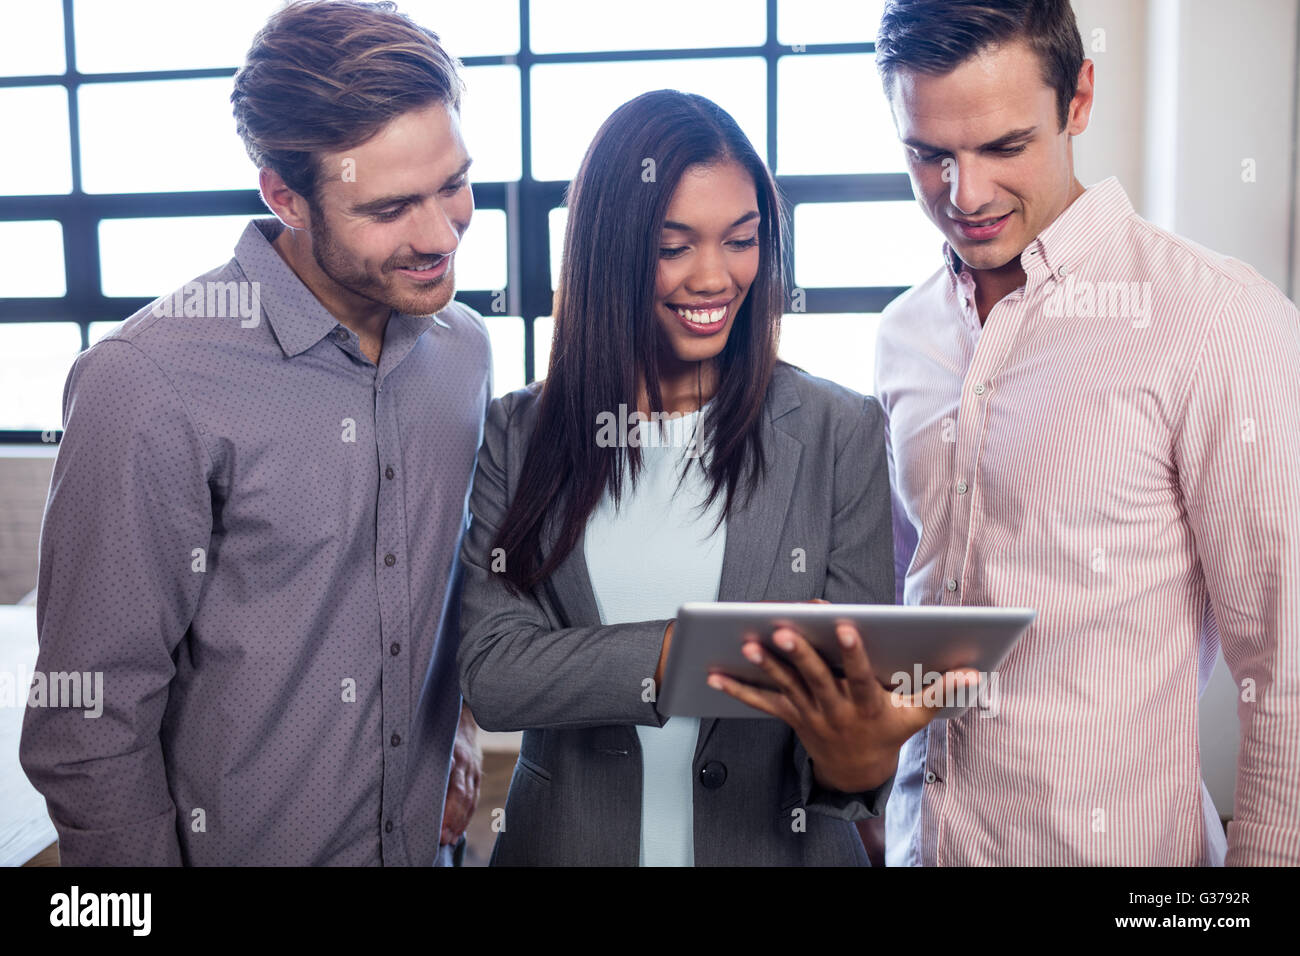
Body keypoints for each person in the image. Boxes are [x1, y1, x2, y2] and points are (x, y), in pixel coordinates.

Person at [20, 0, 488, 865]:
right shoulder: (145, 382)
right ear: (285, 196)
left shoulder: (462, 351)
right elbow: (86, 722)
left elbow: (439, 583)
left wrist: (455, 718)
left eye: (453, 184)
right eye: (390, 209)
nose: (439, 235)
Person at [457, 89, 967, 866]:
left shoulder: (839, 430)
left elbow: (848, 728)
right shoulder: (518, 432)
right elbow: (495, 671)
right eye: (674, 247)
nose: (714, 277)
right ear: (610, 250)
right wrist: (680, 653)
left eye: (741, 240)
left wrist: (859, 754)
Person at [872, 0, 1300, 865]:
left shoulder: (1217, 319)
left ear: (1079, 100)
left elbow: (1286, 662)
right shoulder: (901, 337)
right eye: (929, 155)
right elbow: (904, 609)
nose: (967, 195)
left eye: (1004, 147)